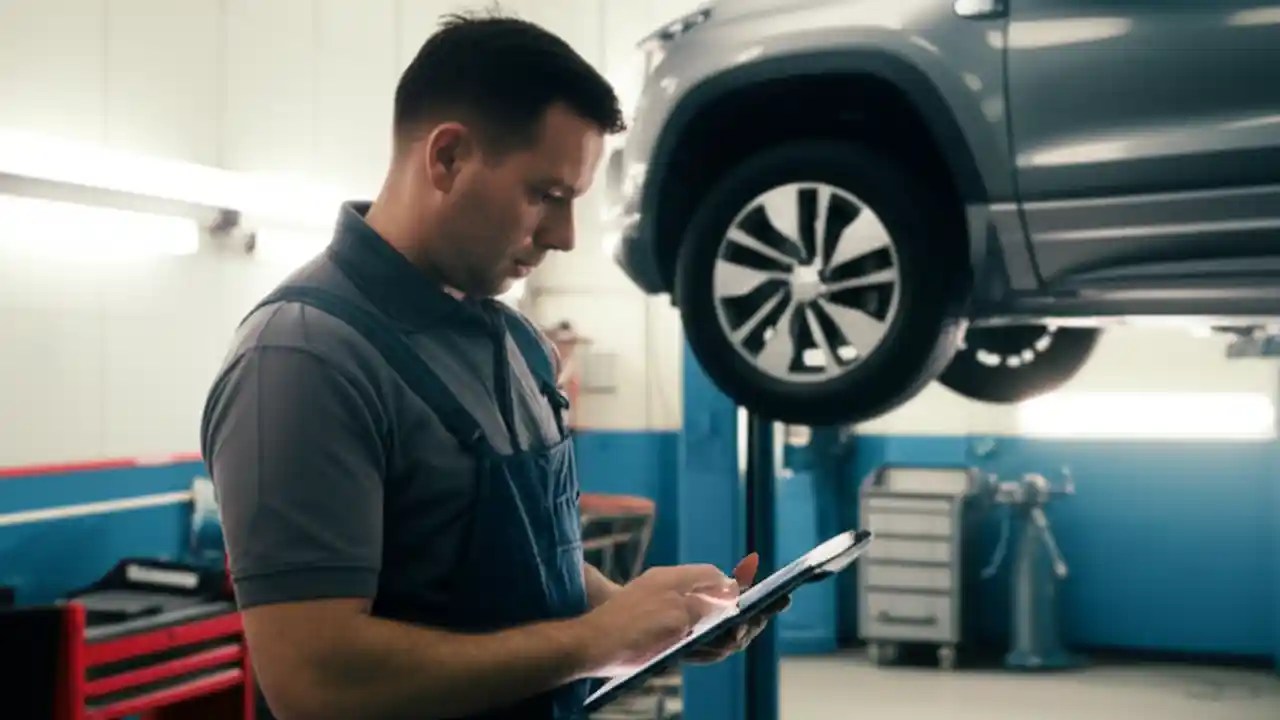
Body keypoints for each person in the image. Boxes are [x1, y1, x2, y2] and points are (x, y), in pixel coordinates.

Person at [201, 12, 787, 720]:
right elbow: (314, 681)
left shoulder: (517, 345)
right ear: (447, 158)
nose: (566, 237)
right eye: (547, 195)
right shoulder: (303, 358)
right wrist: (595, 639)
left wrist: (649, 615)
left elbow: (529, 568)